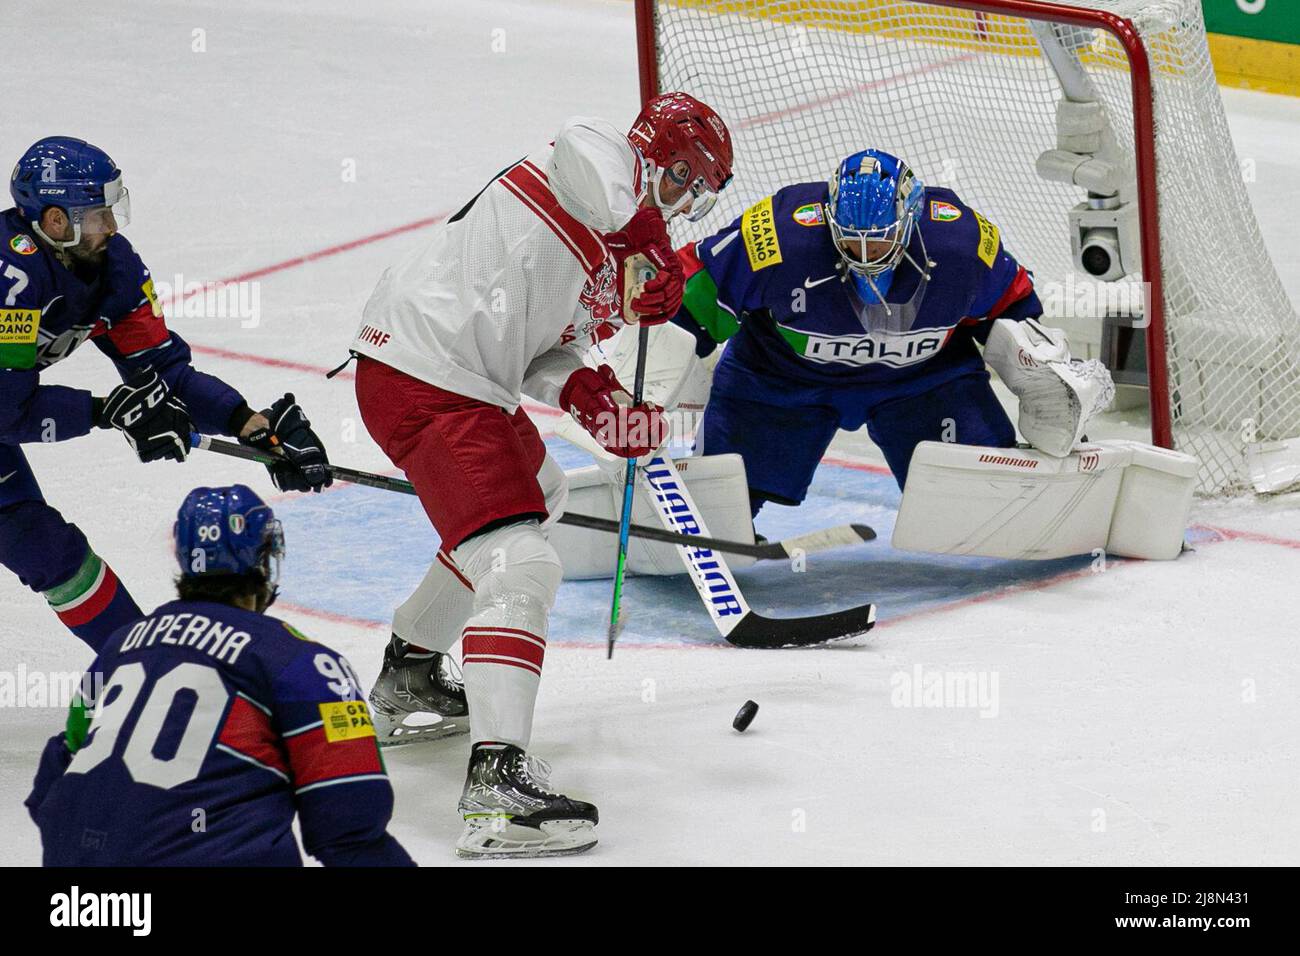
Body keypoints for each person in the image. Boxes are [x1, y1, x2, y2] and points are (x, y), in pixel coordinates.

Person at [348, 92, 733, 858]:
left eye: (700, 196)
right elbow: (578, 142)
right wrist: (645, 243)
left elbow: (539, 351)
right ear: (660, 157)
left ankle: (410, 674)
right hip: (430, 377)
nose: (687, 203)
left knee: (543, 497)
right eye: (687, 182)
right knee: (519, 559)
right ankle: (496, 788)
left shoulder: (615, 234)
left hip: (459, 378)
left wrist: (598, 400)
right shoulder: (601, 162)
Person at [0, 136, 331, 653]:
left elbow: (164, 374)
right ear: (56, 221)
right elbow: (5, 414)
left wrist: (247, 423)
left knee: (47, 548)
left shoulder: (114, 267)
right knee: (36, 539)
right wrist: (104, 413)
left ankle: (141, 668)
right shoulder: (11, 280)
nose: (110, 226)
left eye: (112, 210)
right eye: (97, 215)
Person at [671, 148, 1113, 515]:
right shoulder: (777, 233)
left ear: (909, 222)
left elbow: (1014, 308)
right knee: (720, 507)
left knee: (985, 497)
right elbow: (693, 295)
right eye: (850, 240)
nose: (865, 254)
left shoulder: (959, 240)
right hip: (782, 380)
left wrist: (1042, 378)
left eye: (879, 240)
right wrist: (653, 388)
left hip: (922, 381)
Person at [25, 484, 414, 866]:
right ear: (264, 561)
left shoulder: (119, 647)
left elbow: (54, 774)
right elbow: (348, 824)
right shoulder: (303, 664)